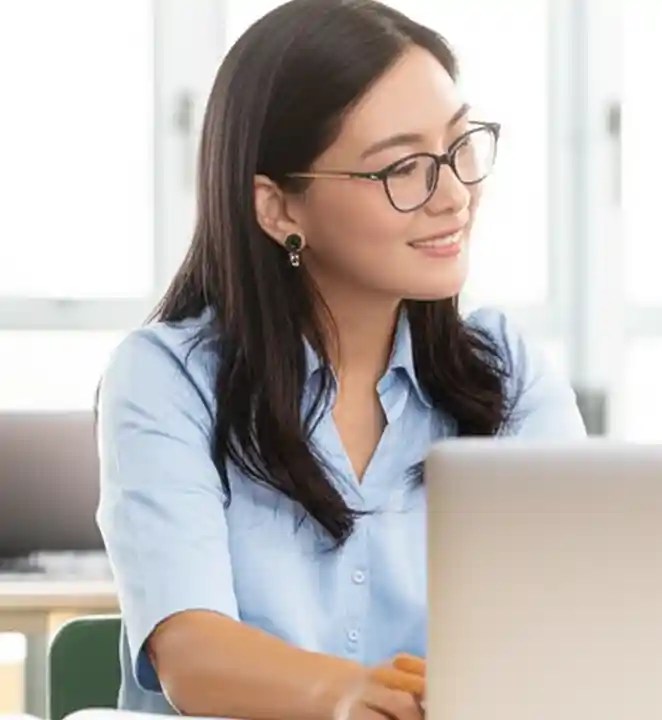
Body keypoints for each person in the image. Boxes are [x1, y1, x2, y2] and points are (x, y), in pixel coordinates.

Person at [95, 1, 585, 717]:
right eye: (403, 168)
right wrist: (349, 692)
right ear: (278, 208)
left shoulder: (506, 372)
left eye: (460, 147)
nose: (453, 196)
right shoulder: (168, 377)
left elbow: (578, 612)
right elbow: (192, 654)